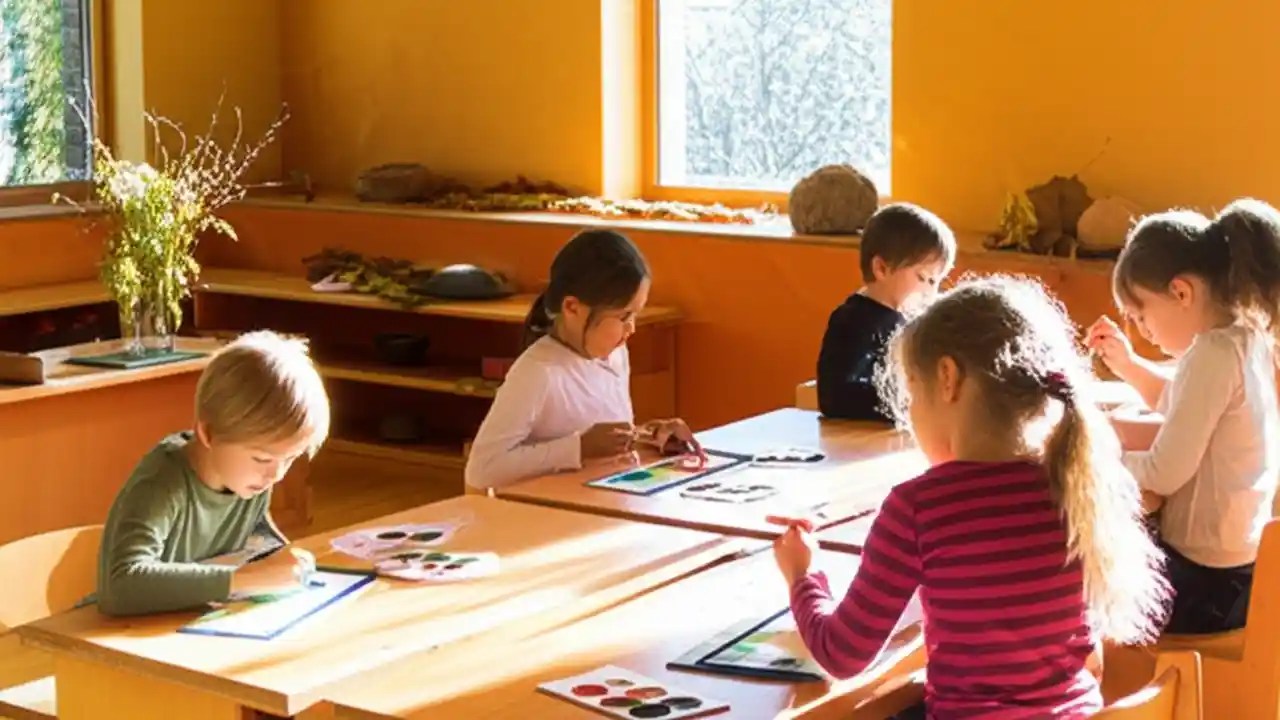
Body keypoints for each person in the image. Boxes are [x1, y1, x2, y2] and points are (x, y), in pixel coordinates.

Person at [775, 276, 1168, 718]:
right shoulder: (1075, 485)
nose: (912, 416)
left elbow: (842, 655)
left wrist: (803, 575)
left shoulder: (918, 508)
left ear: (947, 378)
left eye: (912, 396)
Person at [1087, 199, 1280, 634]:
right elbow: (1179, 403)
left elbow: (1165, 471)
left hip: (1201, 587)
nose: (1143, 330)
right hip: (1240, 580)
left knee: (1079, 571)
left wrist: (1097, 459)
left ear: (1180, 292)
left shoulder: (1210, 354)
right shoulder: (1246, 339)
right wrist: (1130, 365)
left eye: (1141, 315)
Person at [96, 331, 330, 616]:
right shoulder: (162, 485)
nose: (276, 475)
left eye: (290, 459)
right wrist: (245, 579)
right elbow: (120, 587)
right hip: (117, 638)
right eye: (262, 458)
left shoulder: (249, 479)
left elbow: (255, 539)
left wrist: (281, 556)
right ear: (207, 433)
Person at [465, 229, 704, 489]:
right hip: (552, 518)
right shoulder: (537, 372)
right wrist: (577, 448)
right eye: (624, 317)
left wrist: (651, 436)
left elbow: (602, 439)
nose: (632, 328)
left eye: (635, 314)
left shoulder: (615, 355)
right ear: (572, 308)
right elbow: (482, 470)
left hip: (604, 503)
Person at [816, 203, 955, 421]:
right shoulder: (853, 322)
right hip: (855, 441)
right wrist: (904, 401)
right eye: (923, 278)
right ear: (882, 268)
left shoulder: (911, 321)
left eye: (936, 282)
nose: (931, 292)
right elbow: (834, 397)